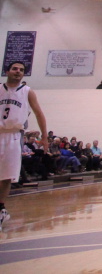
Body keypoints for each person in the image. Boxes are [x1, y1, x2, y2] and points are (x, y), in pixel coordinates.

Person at [0, 61, 47, 232]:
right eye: (14, 69)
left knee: (6, 175)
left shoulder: (27, 92)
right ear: (7, 71)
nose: (18, 72)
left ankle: (1, 209)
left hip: (13, 135)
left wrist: (45, 137)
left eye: (21, 70)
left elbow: (39, 113)